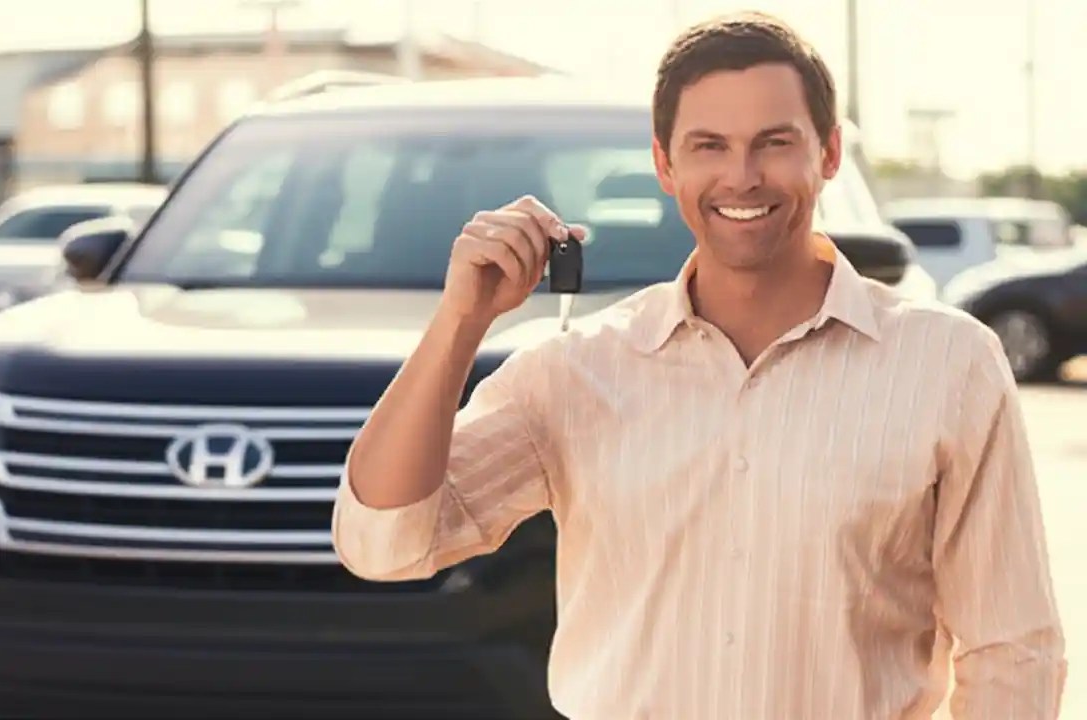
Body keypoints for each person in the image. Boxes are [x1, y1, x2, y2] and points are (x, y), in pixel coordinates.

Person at [331, 11, 1067, 719]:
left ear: (829, 154)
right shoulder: (574, 370)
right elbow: (386, 543)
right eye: (709, 145)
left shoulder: (948, 363)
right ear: (664, 162)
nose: (742, 176)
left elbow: (1013, 647)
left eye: (774, 142)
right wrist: (461, 322)